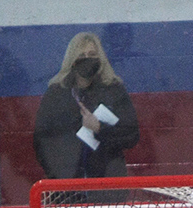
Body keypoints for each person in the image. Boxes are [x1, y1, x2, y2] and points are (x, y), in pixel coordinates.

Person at [33, 32, 139, 181]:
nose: (87, 59)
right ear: (72, 60)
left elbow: (131, 136)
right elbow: (41, 140)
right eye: (81, 55)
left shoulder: (114, 90)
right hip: (66, 187)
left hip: (108, 183)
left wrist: (99, 128)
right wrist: (57, 174)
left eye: (92, 54)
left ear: (100, 59)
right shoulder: (56, 94)